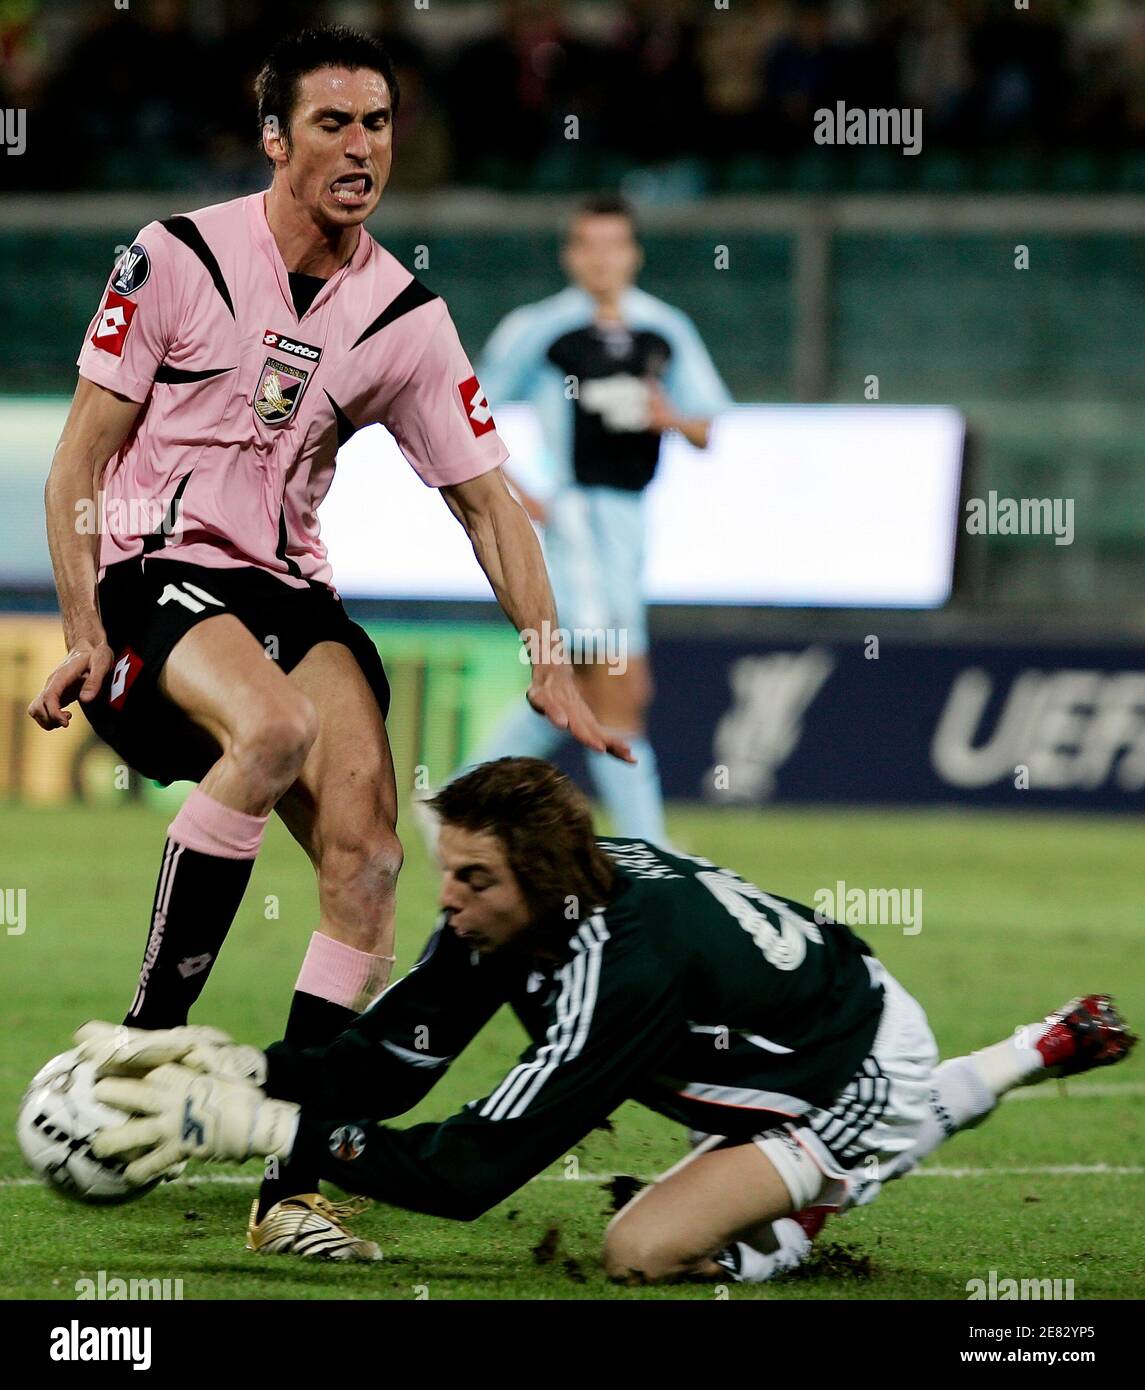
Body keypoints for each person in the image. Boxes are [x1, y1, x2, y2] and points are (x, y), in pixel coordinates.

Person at [26, 24, 628, 1262]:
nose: (362, 148)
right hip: (153, 572)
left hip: (288, 591)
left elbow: (485, 500)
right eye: (334, 124)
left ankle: (290, 1183)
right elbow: (80, 458)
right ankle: (144, 1046)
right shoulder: (176, 253)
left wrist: (548, 649)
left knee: (367, 860)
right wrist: (83, 624)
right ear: (273, 138)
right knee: (279, 727)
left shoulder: (402, 312)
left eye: (379, 124)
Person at [79, 758, 1135, 1280]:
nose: (445, 899)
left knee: (640, 1249)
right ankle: (1038, 1044)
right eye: (450, 871)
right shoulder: (515, 911)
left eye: (471, 878)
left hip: (846, 1066)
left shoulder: (620, 965)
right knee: (678, 1190)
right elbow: (386, 1064)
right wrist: (232, 1062)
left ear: (534, 878)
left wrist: (262, 1133)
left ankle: (812, 1207)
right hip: (752, 1034)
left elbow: (467, 1172)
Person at [434, 194, 733, 847]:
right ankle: (646, 849)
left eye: (614, 245)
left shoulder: (664, 328)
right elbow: (464, 411)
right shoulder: (542, 329)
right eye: (588, 246)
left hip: (629, 523)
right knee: (623, 685)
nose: (602, 259)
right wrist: (522, 494)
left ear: (633, 254)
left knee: (571, 681)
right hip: (578, 523)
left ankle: (454, 802)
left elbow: (707, 425)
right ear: (571, 255)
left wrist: (669, 419)